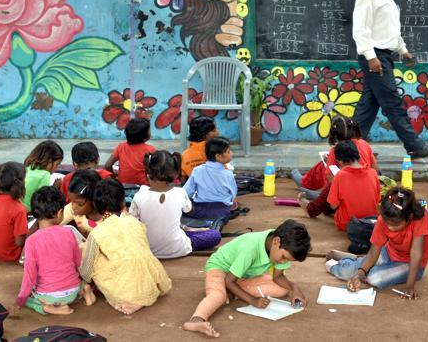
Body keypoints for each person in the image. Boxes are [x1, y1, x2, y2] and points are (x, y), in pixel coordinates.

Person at [352, 0, 428, 159]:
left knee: (368, 106)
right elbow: (360, 30)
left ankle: (350, 148)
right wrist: (371, 57)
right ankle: (414, 146)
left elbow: (391, 30)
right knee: (392, 103)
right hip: (375, 57)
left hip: (384, 55)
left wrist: (403, 50)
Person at [182, 219, 312, 338]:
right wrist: (252, 300)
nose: (283, 262)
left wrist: (294, 289)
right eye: (283, 257)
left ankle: (232, 292)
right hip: (220, 269)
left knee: (282, 289)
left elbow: (278, 277)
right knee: (218, 295)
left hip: (241, 276)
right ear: (276, 242)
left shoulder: (281, 244)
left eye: (288, 260)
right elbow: (229, 280)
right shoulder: (251, 248)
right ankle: (196, 320)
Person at [78, 179, 172, 315]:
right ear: (123, 202)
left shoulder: (96, 233)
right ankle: (143, 296)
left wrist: (84, 281)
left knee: (87, 253)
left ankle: (134, 299)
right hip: (152, 279)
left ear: (96, 205)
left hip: (124, 289)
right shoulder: (135, 222)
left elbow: (87, 270)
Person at [325, 187, 428, 299]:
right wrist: (359, 275)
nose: (390, 227)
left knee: (374, 278)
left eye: (395, 225)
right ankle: (348, 262)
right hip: (389, 253)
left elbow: (416, 254)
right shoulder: (383, 219)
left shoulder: (420, 218)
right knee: (348, 273)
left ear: (409, 217)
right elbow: (373, 252)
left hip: (410, 264)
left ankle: (357, 259)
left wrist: (410, 286)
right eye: (387, 223)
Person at [15, 186, 95, 315]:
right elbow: (78, 262)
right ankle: (84, 289)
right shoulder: (69, 232)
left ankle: (50, 308)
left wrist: (20, 299)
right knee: (76, 280)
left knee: (26, 300)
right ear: (59, 213)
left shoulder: (31, 241)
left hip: (49, 296)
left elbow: (30, 276)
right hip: (73, 289)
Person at [131, 150, 222, 259]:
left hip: (148, 249)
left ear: (148, 173)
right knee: (214, 235)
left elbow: (132, 222)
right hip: (178, 249)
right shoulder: (180, 193)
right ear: (174, 173)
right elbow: (190, 211)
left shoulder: (139, 195)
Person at [293, 114, 378, 200]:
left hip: (347, 191)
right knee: (327, 164)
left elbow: (329, 176)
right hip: (368, 189)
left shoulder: (336, 149)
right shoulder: (364, 143)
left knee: (325, 166)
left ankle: (319, 192)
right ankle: (308, 184)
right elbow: (374, 168)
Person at [320, 140, 380, 231]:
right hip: (371, 221)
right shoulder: (373, 173)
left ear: (339, 161)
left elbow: (333, 205)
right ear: (359, 156)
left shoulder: (340, 176)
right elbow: (377, 199)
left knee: (329, 211)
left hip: (347, 224)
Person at [0, 162, 28, 263]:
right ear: (20, 183)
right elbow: (20, 242)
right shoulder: (19, 209)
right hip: (12, 255)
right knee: (41, 228)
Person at [184, 136, 237, 221]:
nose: (232, 153)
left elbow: (187, 191)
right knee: (227, 210)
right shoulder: (228, 174)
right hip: (220, 210)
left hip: (199, 208)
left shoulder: (197, 170)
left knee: (188, 211)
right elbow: (233, 194)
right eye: (228, 151)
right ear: (218, 156)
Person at [105, 117, 155, 186]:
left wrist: (114, 176)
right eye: (149, 130)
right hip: (143, 186)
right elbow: (156, 169)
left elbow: (107, 165)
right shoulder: (150, 149)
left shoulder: (121, 147)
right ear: (144, 136)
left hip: (122, 185)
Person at [59, 170, 103, 236]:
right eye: (71, 201)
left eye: (79, 204)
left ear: (93, 199)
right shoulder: (72, 208)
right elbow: (51, 224)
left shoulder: (109, 215)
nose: (73, 206)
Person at [22, 140, 64, 210]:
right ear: (49, 161)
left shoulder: (27, 168)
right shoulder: (44, 175)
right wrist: (55, 188)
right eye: (57, 164)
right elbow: (44, 202)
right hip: (29, 212)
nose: (56, 168)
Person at [182, 115, 219, 180]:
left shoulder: (184, 155)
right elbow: (225, 174)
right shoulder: (216, 151)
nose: (218, 132)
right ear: (204, 135)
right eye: (214, 130)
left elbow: (183, 179)